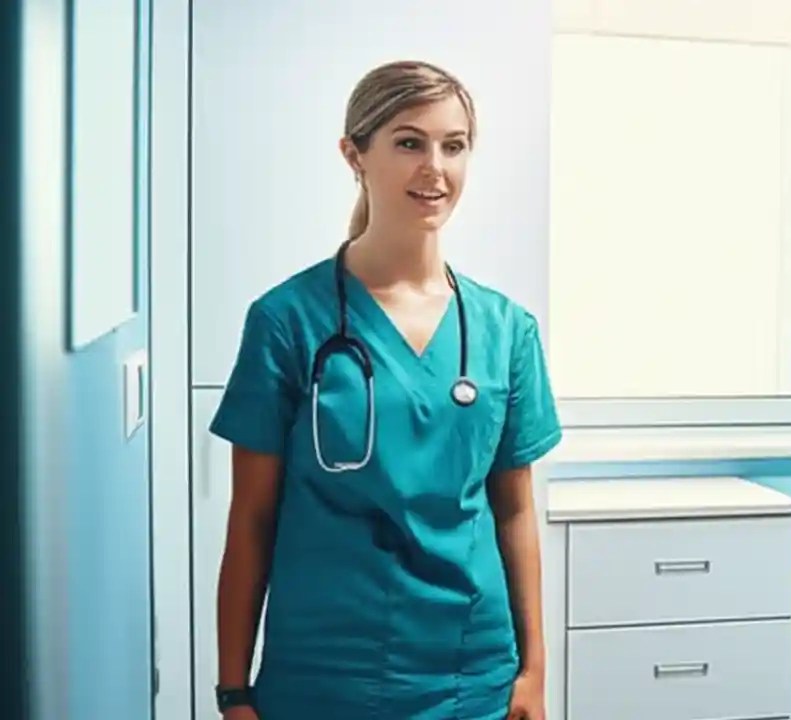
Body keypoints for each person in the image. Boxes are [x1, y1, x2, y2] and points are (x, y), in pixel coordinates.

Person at [210, 60, 561, 720]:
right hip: (324, 675)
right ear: (354, 155)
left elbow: (514, 511)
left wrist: (534, 670)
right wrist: (234, 691)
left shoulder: (506, 330)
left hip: (471, 672)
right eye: (408, 142)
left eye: (453, 145)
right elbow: (250, 518)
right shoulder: (288, 320)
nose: (435, 168)